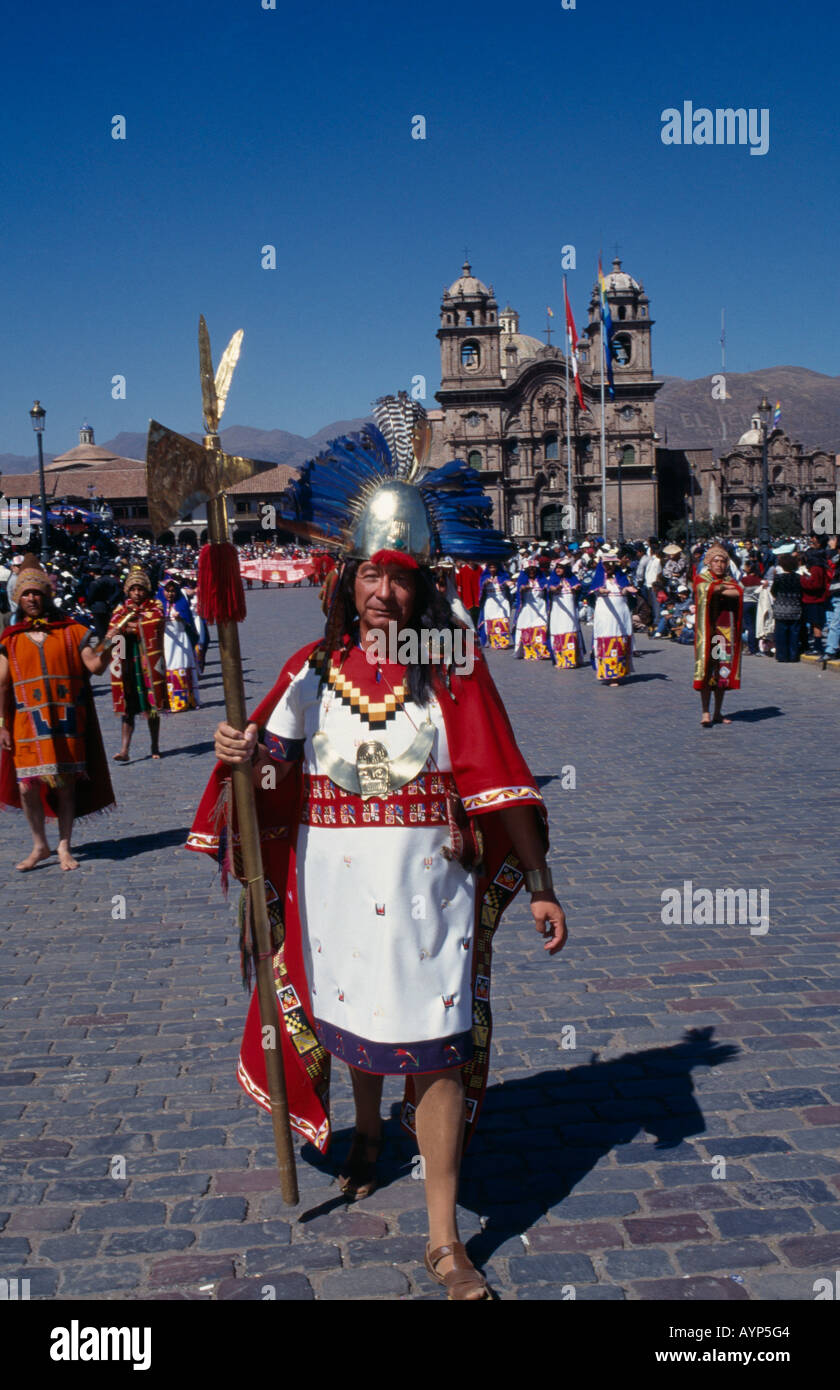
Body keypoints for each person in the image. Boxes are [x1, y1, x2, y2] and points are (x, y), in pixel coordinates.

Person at [188, 397, 567, 1301]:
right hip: (333, 887)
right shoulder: (309, 673)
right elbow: (265, 771)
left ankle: (444, 1239)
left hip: (429, 893)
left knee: (433, 1045)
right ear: (346, 576)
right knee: (353, 1025)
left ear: (423, 582)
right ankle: (363, 1134)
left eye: (399, 576)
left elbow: (501, 776)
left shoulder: (452, 663)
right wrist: (237, 752)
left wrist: (543, 881)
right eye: (370, 575)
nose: (383, 592)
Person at [0, 555, 114, 870]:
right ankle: (40, 845)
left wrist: (111, 637)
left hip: (65, 721)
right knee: (26, 786)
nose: (32, 598)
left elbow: (95, 666)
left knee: (65, 784)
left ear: (46, 595)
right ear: (17, 598)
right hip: (26, 723)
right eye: (25, 594)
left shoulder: (72, 631)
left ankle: (64, 846)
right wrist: (1, 724)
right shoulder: (9, 640)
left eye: (37, 592)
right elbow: (2, 686)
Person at [107, 566, 167, 762]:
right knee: (128, 706)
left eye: (140, 589)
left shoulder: (154, 605)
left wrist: (130, 626)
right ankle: (124, 750)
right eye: (133, 589)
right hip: (128, 662)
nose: (137, 593)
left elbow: (155, 621)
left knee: (151, 706)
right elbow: (113, 627)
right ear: (127, 591)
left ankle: (155, 745)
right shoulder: (121, 608)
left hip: (146, 662)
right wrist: (127, 626)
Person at [693, 543, 743, 726]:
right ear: (709, 563)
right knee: (707, 671)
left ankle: (717, 712)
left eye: (723, 561)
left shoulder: (730, 579)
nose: (720, 565)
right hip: (707, 635)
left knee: (722, 672)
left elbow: (737, 592)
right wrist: (720, 588)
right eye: (716, 561)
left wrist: (718, 587)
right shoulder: (702, 578)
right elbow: (706, 590)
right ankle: (705, 712)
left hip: (724, 633)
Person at [586, 550, 635, 685]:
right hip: (606, 614)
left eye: (612, 564)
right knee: (608, 640)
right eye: (607, 564)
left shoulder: (621, 578)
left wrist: (628, 590)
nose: (610, 567)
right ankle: (609, 673)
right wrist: (600, 590)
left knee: (620, 639)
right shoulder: (598, 579)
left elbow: (625, 590)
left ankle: (619, 672)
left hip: (621, 614)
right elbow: (592, 591)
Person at [159, 577, 201, 711]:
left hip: (182, 641)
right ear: (163, 591)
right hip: (166, 642)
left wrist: (181, 619)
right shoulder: (158, 605)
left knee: (182, 666)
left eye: (173, 591)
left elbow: (190, 625)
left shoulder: (182, 604)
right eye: (167, 591)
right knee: (167, 667)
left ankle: (186, 701)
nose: (170, 594)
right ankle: (169, 701)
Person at [546, 560, 584, 667]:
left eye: (561, 567)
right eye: (557, 567)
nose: (558, 569)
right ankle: (561, 659)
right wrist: (556, 588)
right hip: (558, 612)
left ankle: (572, 660)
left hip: (570, 611)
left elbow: (578, 586)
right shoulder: (553, 579)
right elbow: (550, 588)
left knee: (570, 630)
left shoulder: (572, 578)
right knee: (559, 631)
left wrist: (576, 588)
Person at [512, 561, 551, 659]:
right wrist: (522, 588)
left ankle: (541, 651)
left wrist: (548, 587)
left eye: (534, 569)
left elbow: (547, 589)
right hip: (527, 609)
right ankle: (526, 651)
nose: (532, 571)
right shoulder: (523, 581)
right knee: (525, 629)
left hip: (541, 608)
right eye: (529, 569)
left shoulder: (542, 580)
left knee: (541, 629)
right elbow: (519, 592)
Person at [770, 553, 802, 663]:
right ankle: (793, 655)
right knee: (794, 633)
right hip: (795, 609)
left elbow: (773, 591)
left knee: (781, 633)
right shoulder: (799, 578)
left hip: (781, 609)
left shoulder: (778, 578)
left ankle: (782, 655)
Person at [477, 561, 514, 648]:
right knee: (492, 622)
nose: (492, 569)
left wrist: (508, 583)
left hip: (503, 602)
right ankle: (494, 642)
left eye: (494, 567)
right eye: (490, 568)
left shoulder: (503, 576)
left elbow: (506, 582)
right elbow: (481, 586)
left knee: (503, 621)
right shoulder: (485, 577)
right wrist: (486, 583)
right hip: (490, 603)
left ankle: (504, 642)